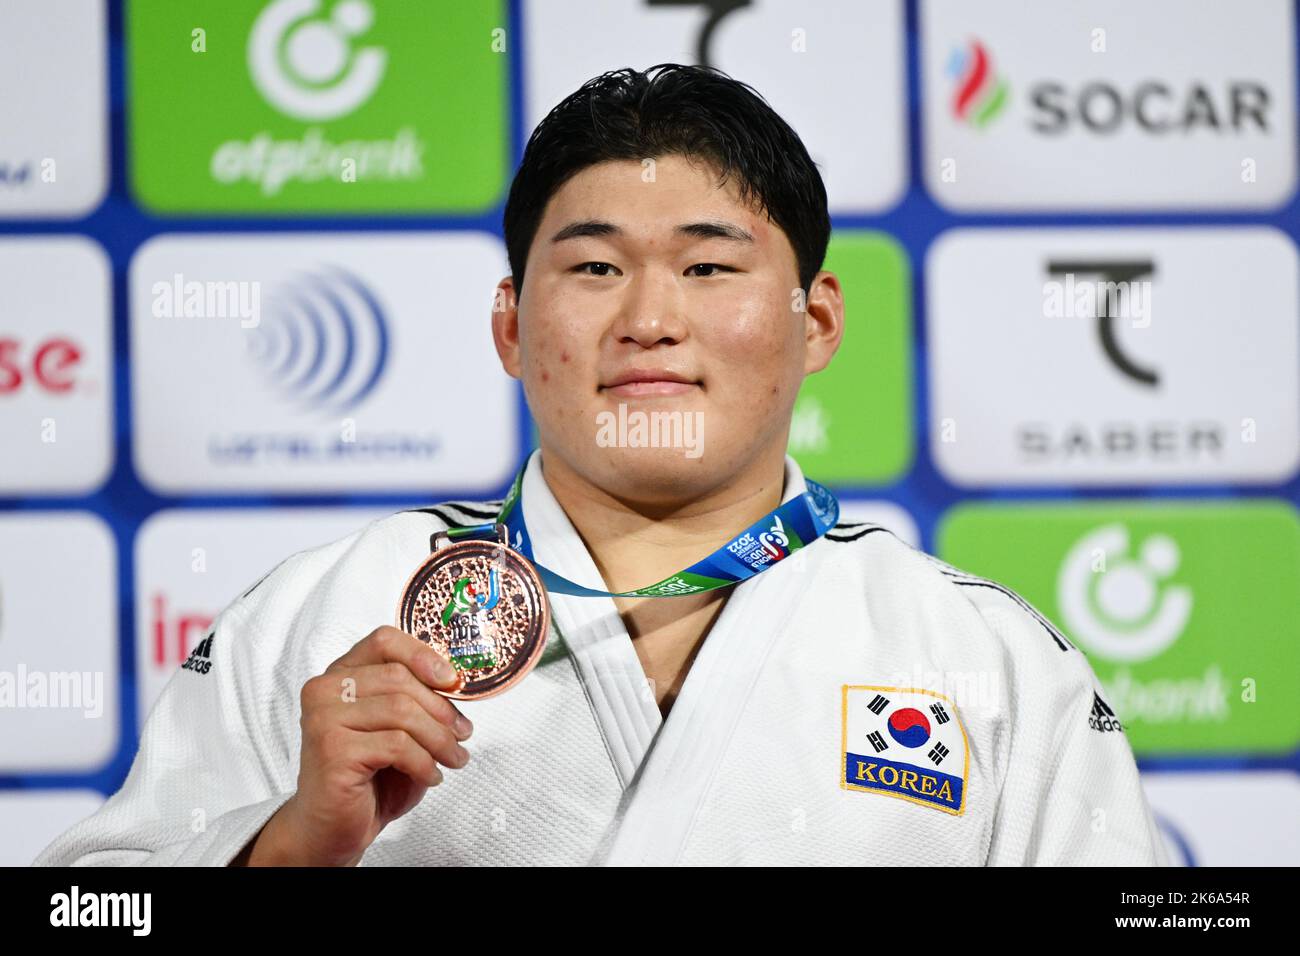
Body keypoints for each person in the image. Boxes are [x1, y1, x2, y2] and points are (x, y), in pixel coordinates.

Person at [35, 63, 1165, 867]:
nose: (650, 319)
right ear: (512, 326)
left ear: (814, 321)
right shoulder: (328, 612)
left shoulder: (983, 653)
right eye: (592, 268)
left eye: (710, 267)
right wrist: (284, 848)